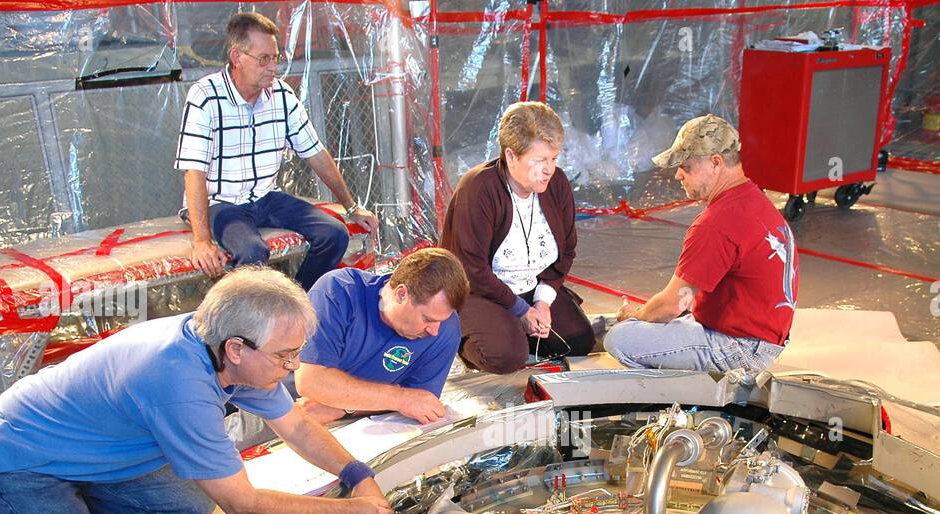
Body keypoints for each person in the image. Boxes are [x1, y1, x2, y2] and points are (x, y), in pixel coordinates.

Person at [0, 267, 393, 514]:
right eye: (285, 355)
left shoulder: (232, 348)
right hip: (16, 460)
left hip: (84, 452)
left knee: (191, 505)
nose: (294, 366)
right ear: (237, 349)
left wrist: (358, 474)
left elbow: (295, 425)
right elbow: (242, 503)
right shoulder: (178, 383)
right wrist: (344, 511)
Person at [175, 12, 378, 290]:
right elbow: (194, 172)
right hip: (221, 203)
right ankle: (242, 325)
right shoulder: (205, 96)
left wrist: (352, 207)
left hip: (265, 197)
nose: (273, 67)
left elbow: (316, 154)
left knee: (334, 234)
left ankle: (296, 304)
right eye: (264, 59)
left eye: (275, 58)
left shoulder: (282, 95)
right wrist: (202, 242)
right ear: (237, 58)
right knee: (253, 252)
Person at [603, 114, 797, 374]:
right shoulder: (754, 200)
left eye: (686, 167)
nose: (678, 176)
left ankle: (674, 394)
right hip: (761, 337)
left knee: (620, 339)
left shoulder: (716, 223)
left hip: (742, 347)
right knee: (634, 320)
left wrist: (638, 316)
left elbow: (673, 305)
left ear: (716, 163)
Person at [442, 102, 594, 374]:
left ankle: (518, 329)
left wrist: (542, 302)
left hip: (533, 287)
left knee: (578, 341)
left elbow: (567, 249)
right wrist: (520, 311)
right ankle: (462, 335)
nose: (549, 169)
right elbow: (472, 270)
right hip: (482, 292)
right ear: (511, 156)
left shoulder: (556, 183)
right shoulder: (478, 189)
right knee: (505, 357)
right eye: (539, 161)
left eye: (554, 159)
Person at [295, 248, 468, 426]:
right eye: (427, 319)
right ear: (402, 294)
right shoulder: (337, 292)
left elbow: (421, 402)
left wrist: (343, 408)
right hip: (289, 409)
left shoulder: (446, 327)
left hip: (352, 420)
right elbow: (310, 381)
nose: (434, 331)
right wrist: (399, 398)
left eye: (441, 320)